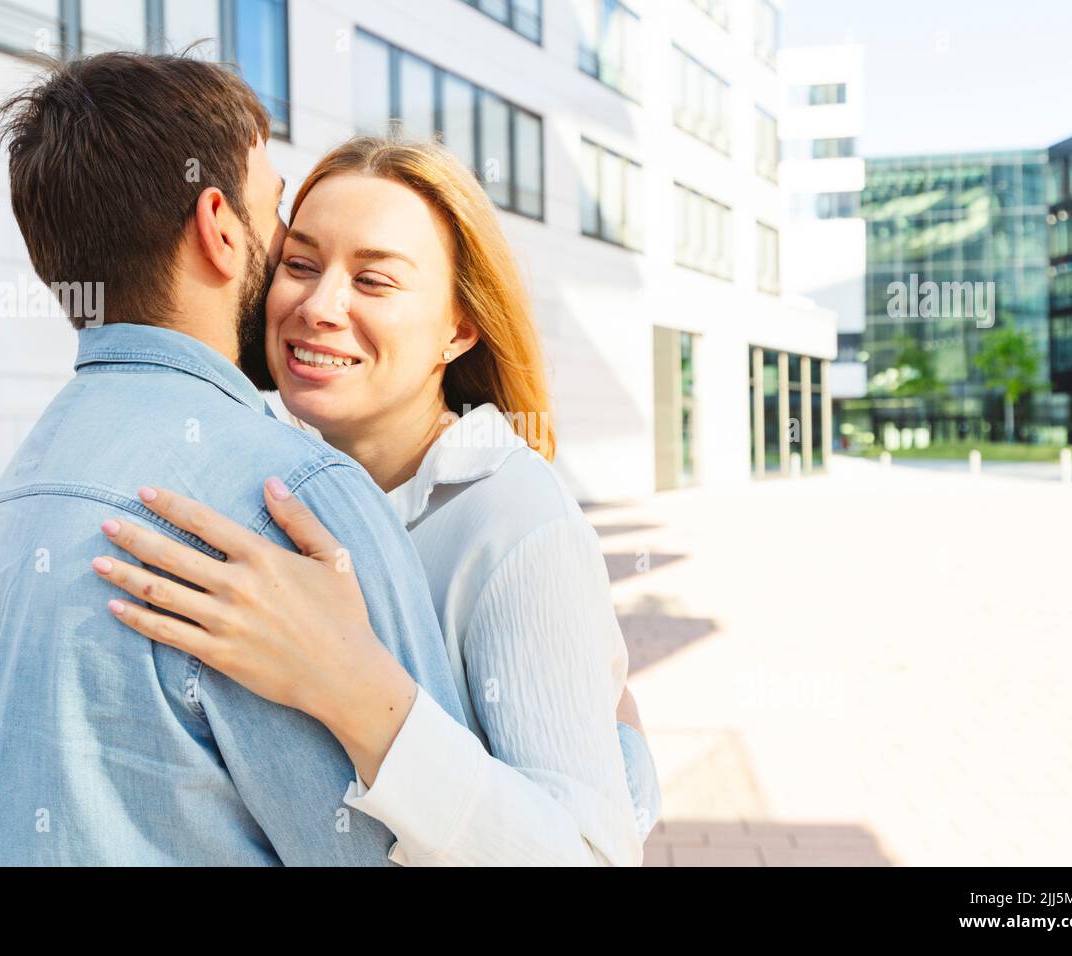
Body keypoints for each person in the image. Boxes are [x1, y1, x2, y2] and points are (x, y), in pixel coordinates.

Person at [0, 53, 464, 865]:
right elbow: (422, 847)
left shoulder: (10, 504)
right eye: (276, 206)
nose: (288, 240)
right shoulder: (294, 496)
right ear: (221, 228)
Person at [91, 137, 662, 866]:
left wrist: (354, 688)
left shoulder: (515, 520)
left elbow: (589, 857)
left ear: (458, 327)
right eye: (299, 264)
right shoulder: (271, 483)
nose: (320, 306)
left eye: (375, 281)